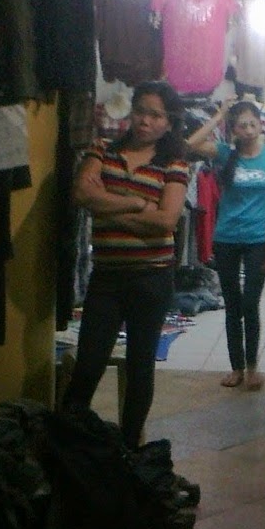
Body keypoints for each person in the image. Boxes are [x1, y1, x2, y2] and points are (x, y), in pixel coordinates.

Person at [62, 81, 189, 449]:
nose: (145, 121)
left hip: (152, 278)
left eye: (155, 115)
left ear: (168, 122)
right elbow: (82, 193)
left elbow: (166, 221)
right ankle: (67, 445)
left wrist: (109, 203)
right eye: (140, 112)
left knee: (139, 366)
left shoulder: (173, 163)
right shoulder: (102, 150)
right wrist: (135, 205)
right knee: (89, 363)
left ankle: (129, 449)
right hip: (107, 277)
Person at [188, 99, 265, 390]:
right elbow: (190, 144)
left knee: (250, 303)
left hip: (258, 240)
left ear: (260, 126)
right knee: (232, 305)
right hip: (227, 238)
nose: (247, 129)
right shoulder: (224, 154)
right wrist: (219, 114)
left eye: (252, 124)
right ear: (233, 129)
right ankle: (236, 368)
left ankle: (254, 368)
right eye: (241, 124)